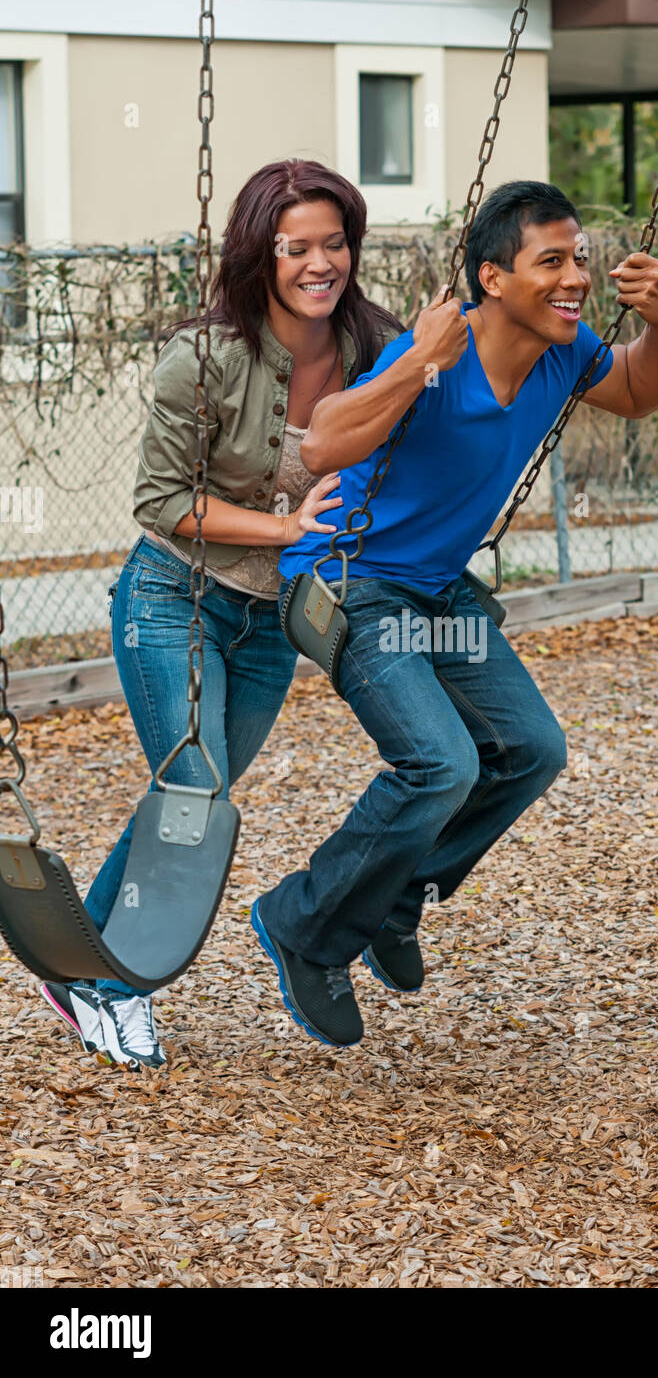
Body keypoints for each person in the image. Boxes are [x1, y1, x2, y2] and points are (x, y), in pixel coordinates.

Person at [250, 180, 658, 1048]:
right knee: (439, 763)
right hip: (348, 579)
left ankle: (398, 893)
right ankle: (304, 926)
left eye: (580, 259)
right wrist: (414, 360)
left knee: (530, 750)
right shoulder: (436, 353)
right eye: (550, 262)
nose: (575, 279)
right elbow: (325, 441)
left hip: (435, 587)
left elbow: (635, 392)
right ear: (490, 277)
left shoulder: (565, 350)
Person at [40, 160, 402, 1069]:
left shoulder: (373, 350)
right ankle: (117, 993)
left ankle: (76, 959)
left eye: (335, 242)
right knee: (193, 795)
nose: (321, 263)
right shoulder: (201, 361)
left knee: (191, 799)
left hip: (267, 618)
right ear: (260, 254)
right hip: (172, 597)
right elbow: (163, 502)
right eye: (297, 248)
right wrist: (286, 527)